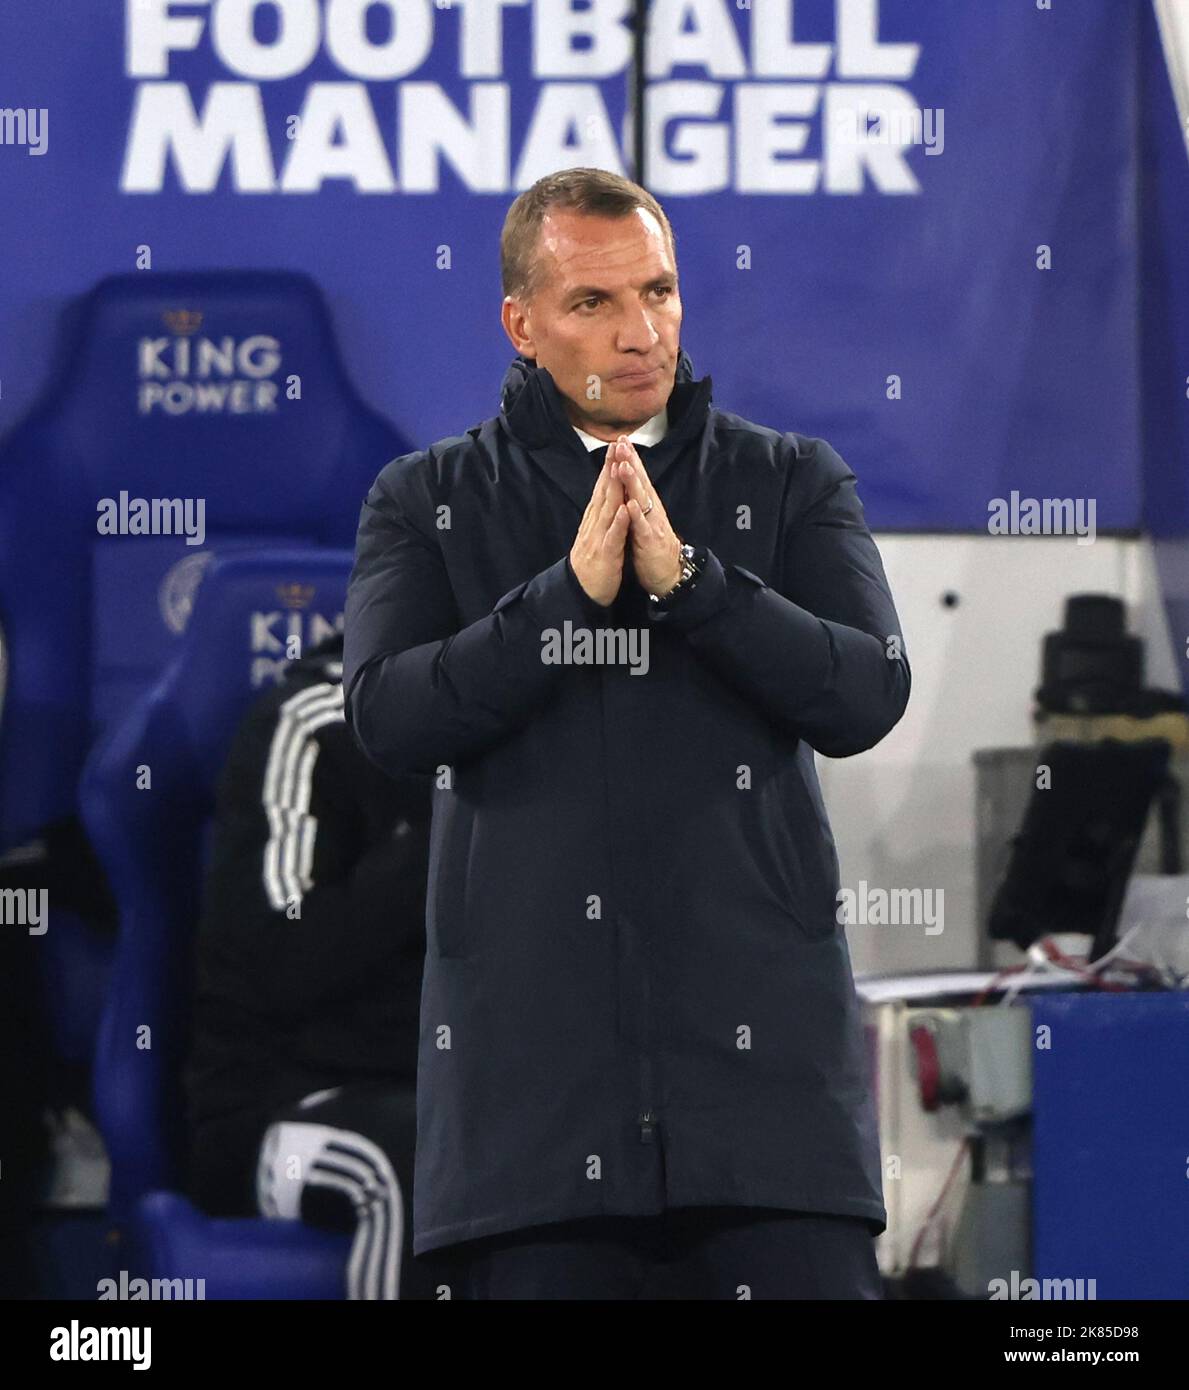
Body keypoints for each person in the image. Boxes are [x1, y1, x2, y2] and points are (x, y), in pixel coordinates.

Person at [343, 167, 911, 1299]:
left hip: (772, 1131)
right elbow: (389, 717)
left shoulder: (789, 481)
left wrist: (696, 584)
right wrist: (561, 602)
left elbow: (866, 693)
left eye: (658, 291)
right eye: (593, 302)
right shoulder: (427, 498)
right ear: (521, 322)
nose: (640, 328)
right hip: (533, 1142)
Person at [183, 631, 447, 1300]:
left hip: (466, 1092)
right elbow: (274, 957)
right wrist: (444, 834)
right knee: (420, 1162)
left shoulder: (545, 728)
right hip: (279, 1105)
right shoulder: (312, 719)